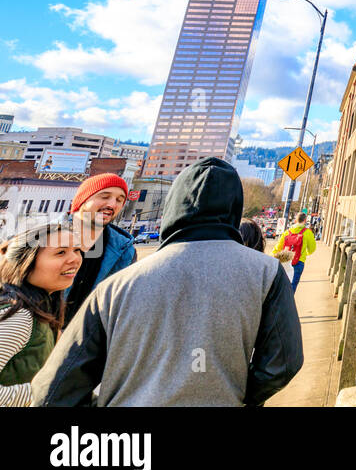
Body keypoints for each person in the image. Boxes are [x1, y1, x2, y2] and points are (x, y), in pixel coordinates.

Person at [32, 157, 304, 407]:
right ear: (234, 208)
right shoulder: (267, 272)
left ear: (174, 204)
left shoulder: (115, 287)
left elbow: (54, 388)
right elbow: (283, 363)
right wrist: (236, 393)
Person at [1, 219, 83, 406]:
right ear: (26, 262)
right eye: (60, 252)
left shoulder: (41, 308)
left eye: (77, 250)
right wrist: (47, 391)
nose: (75, 259)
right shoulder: (19, 316)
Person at [62, 173, 136, 321]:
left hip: (82, 338)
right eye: (104, 196)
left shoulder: (125, 252)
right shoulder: (43, 236)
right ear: (83, 199)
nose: (112, 204)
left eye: (120, 200)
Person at [272, 211, 317, 293]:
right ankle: (288, 303)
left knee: (281, 284)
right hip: (299, 262)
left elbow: (277, 248)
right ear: (305, 220)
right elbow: (312, 249)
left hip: (285, 261)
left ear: (295, 220)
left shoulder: (287, 232)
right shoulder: (307, 233)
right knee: (292, 285)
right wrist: (304, 254)